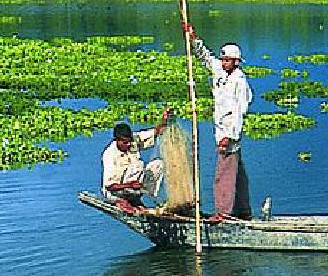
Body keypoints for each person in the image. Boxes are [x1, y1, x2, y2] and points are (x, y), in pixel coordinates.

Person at [184, 24, 253, 220]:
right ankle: (243, 210)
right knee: (237, 173)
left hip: (229, 135)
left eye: (227, 60)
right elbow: (205, 57)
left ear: (236, 62)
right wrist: (193, 38)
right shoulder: (221, 72)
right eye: (223, 59)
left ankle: (223, 213)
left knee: (223, 174)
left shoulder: (239, 81)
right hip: (221, 131)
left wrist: (228, 137)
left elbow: (239, 112)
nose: (223, 63)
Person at [101, 109, 171, 211]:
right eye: (125, 142)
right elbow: (109, 187)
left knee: (158, 164)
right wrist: (130, 185)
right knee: (138, 165)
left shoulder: (133, 140)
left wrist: (164, 120)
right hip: (114, 193)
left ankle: (140, 197)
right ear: (117, 140)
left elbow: (155, 132)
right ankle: (125, 200)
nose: (129, 144)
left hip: (134, 188)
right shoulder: (109, 155)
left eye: (129, 141)